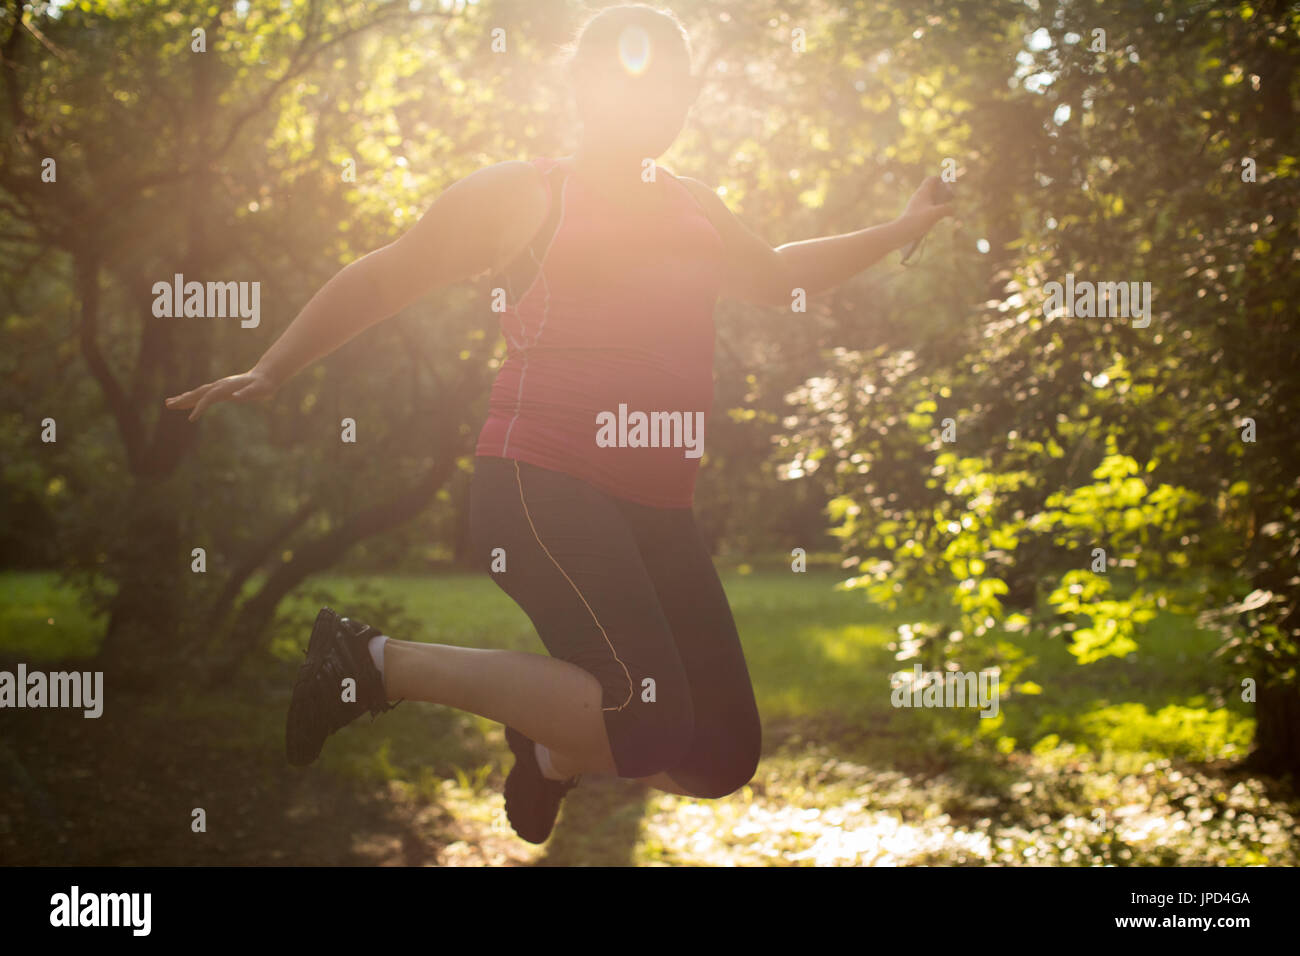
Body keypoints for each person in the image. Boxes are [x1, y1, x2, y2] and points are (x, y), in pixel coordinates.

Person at [164, 3, 953, 845]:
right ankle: (369, 661)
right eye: (637, 81)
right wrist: (274, 365)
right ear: (585, 85)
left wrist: (904, 227)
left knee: (722, 755)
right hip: (543, 481)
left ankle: (549, 752)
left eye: (677, 88)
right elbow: (391, 274)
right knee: (644, 721)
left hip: (655, 508)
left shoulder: (695, 205)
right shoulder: (529, 193)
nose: (661, 103)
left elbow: (782, 272)